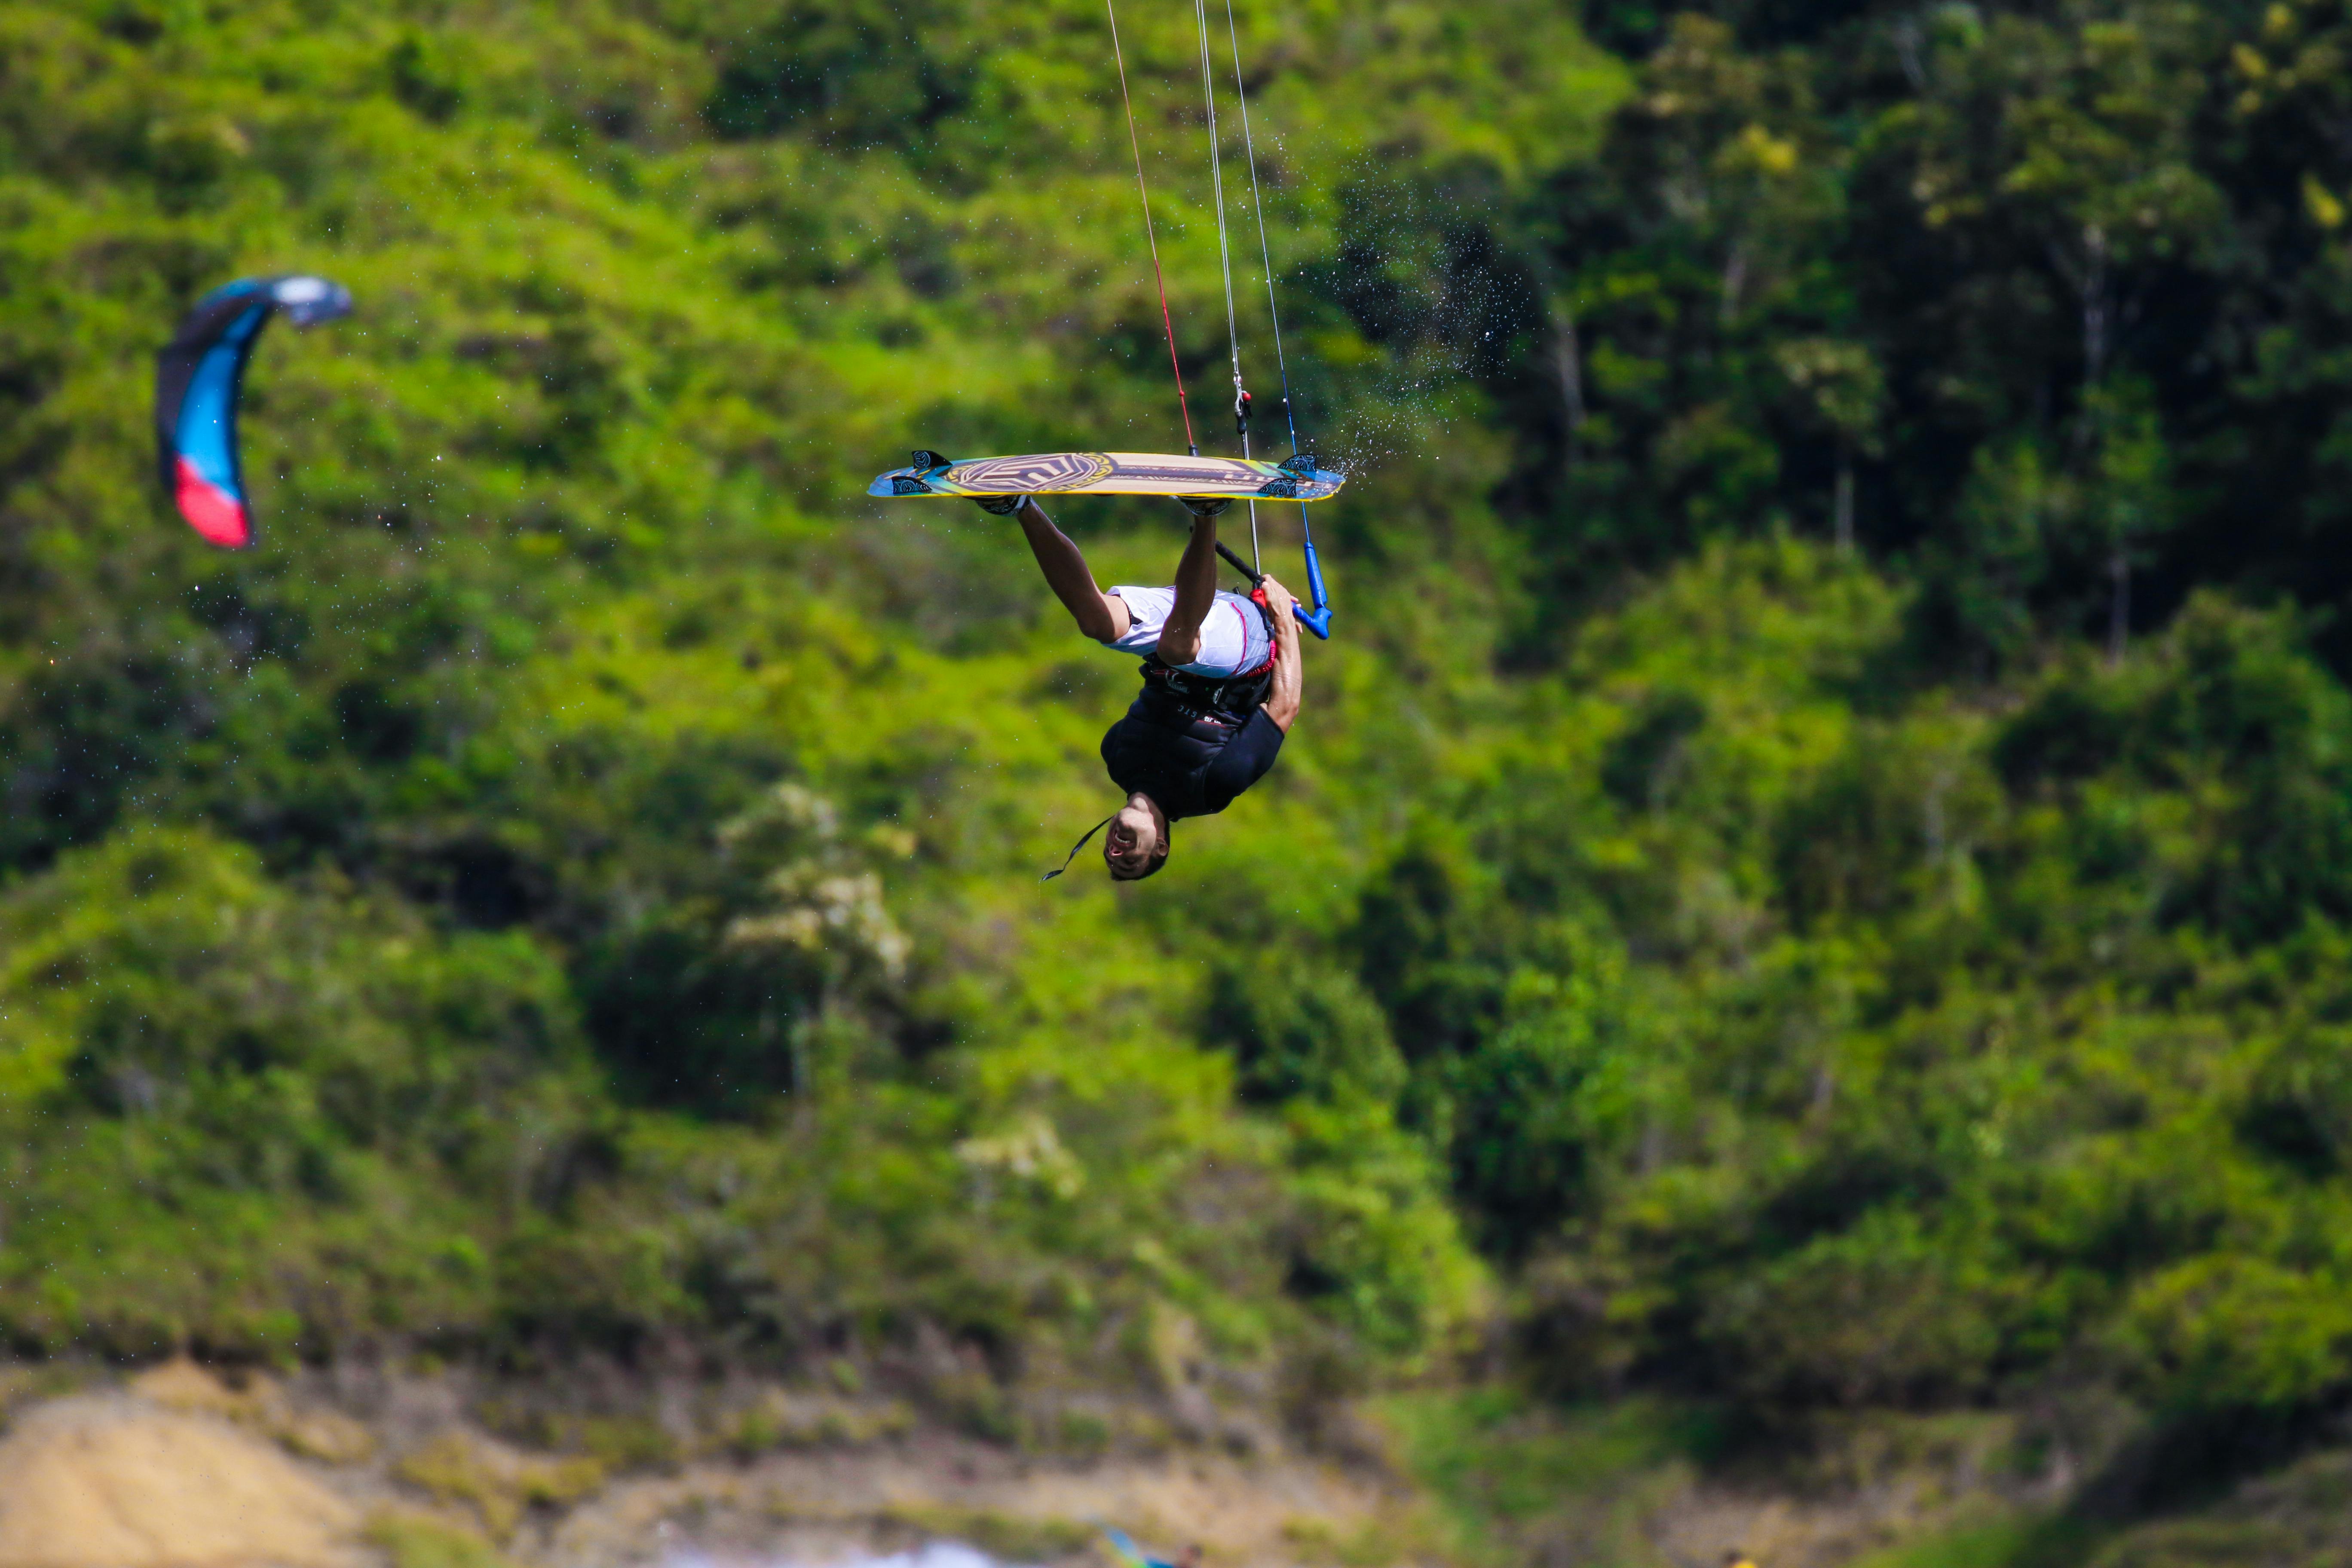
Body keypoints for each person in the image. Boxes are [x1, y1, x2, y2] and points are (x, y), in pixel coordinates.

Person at [979, 493, 1303, 880]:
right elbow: (1285, 706)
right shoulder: (1211, 788)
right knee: (1177, 647)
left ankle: (1018, 506)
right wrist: (1282, 617)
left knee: (1100, 624)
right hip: (1249, 644)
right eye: (1130, 859)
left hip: (1185, 626)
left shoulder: (1117, 756)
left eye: (1109, 855)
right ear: (1161, 845)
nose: (1116, 849)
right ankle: (1207, 513)